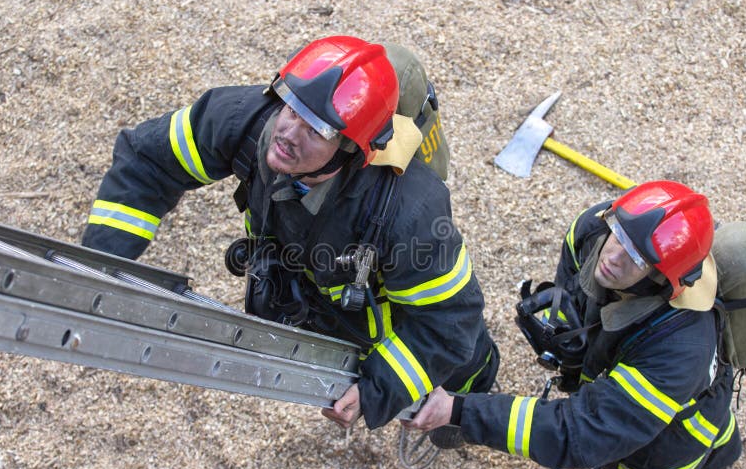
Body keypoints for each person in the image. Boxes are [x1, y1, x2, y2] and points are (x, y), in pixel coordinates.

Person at [81, 35, 499, 434]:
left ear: (351, 150)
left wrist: (377, 389)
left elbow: (449, 323)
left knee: (463, 368)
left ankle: (470, 403)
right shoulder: (242, 120)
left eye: (317, 130)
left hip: (383, 317)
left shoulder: (410, 214)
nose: (287, 133)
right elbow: (147, 161)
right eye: (292, 107)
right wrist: (103, 263)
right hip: (310, 288)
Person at [404, 180, 742, 469]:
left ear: (660, 279)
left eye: (637, 258)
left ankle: (719, 456)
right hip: (680, 388)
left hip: (680, 427)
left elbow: (582, 433)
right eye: (619, 234)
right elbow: (574, 294)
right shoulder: (592, 230)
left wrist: (459, 411)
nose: (613, 256)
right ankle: (725, 450)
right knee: (710, 426)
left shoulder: (681, 349)